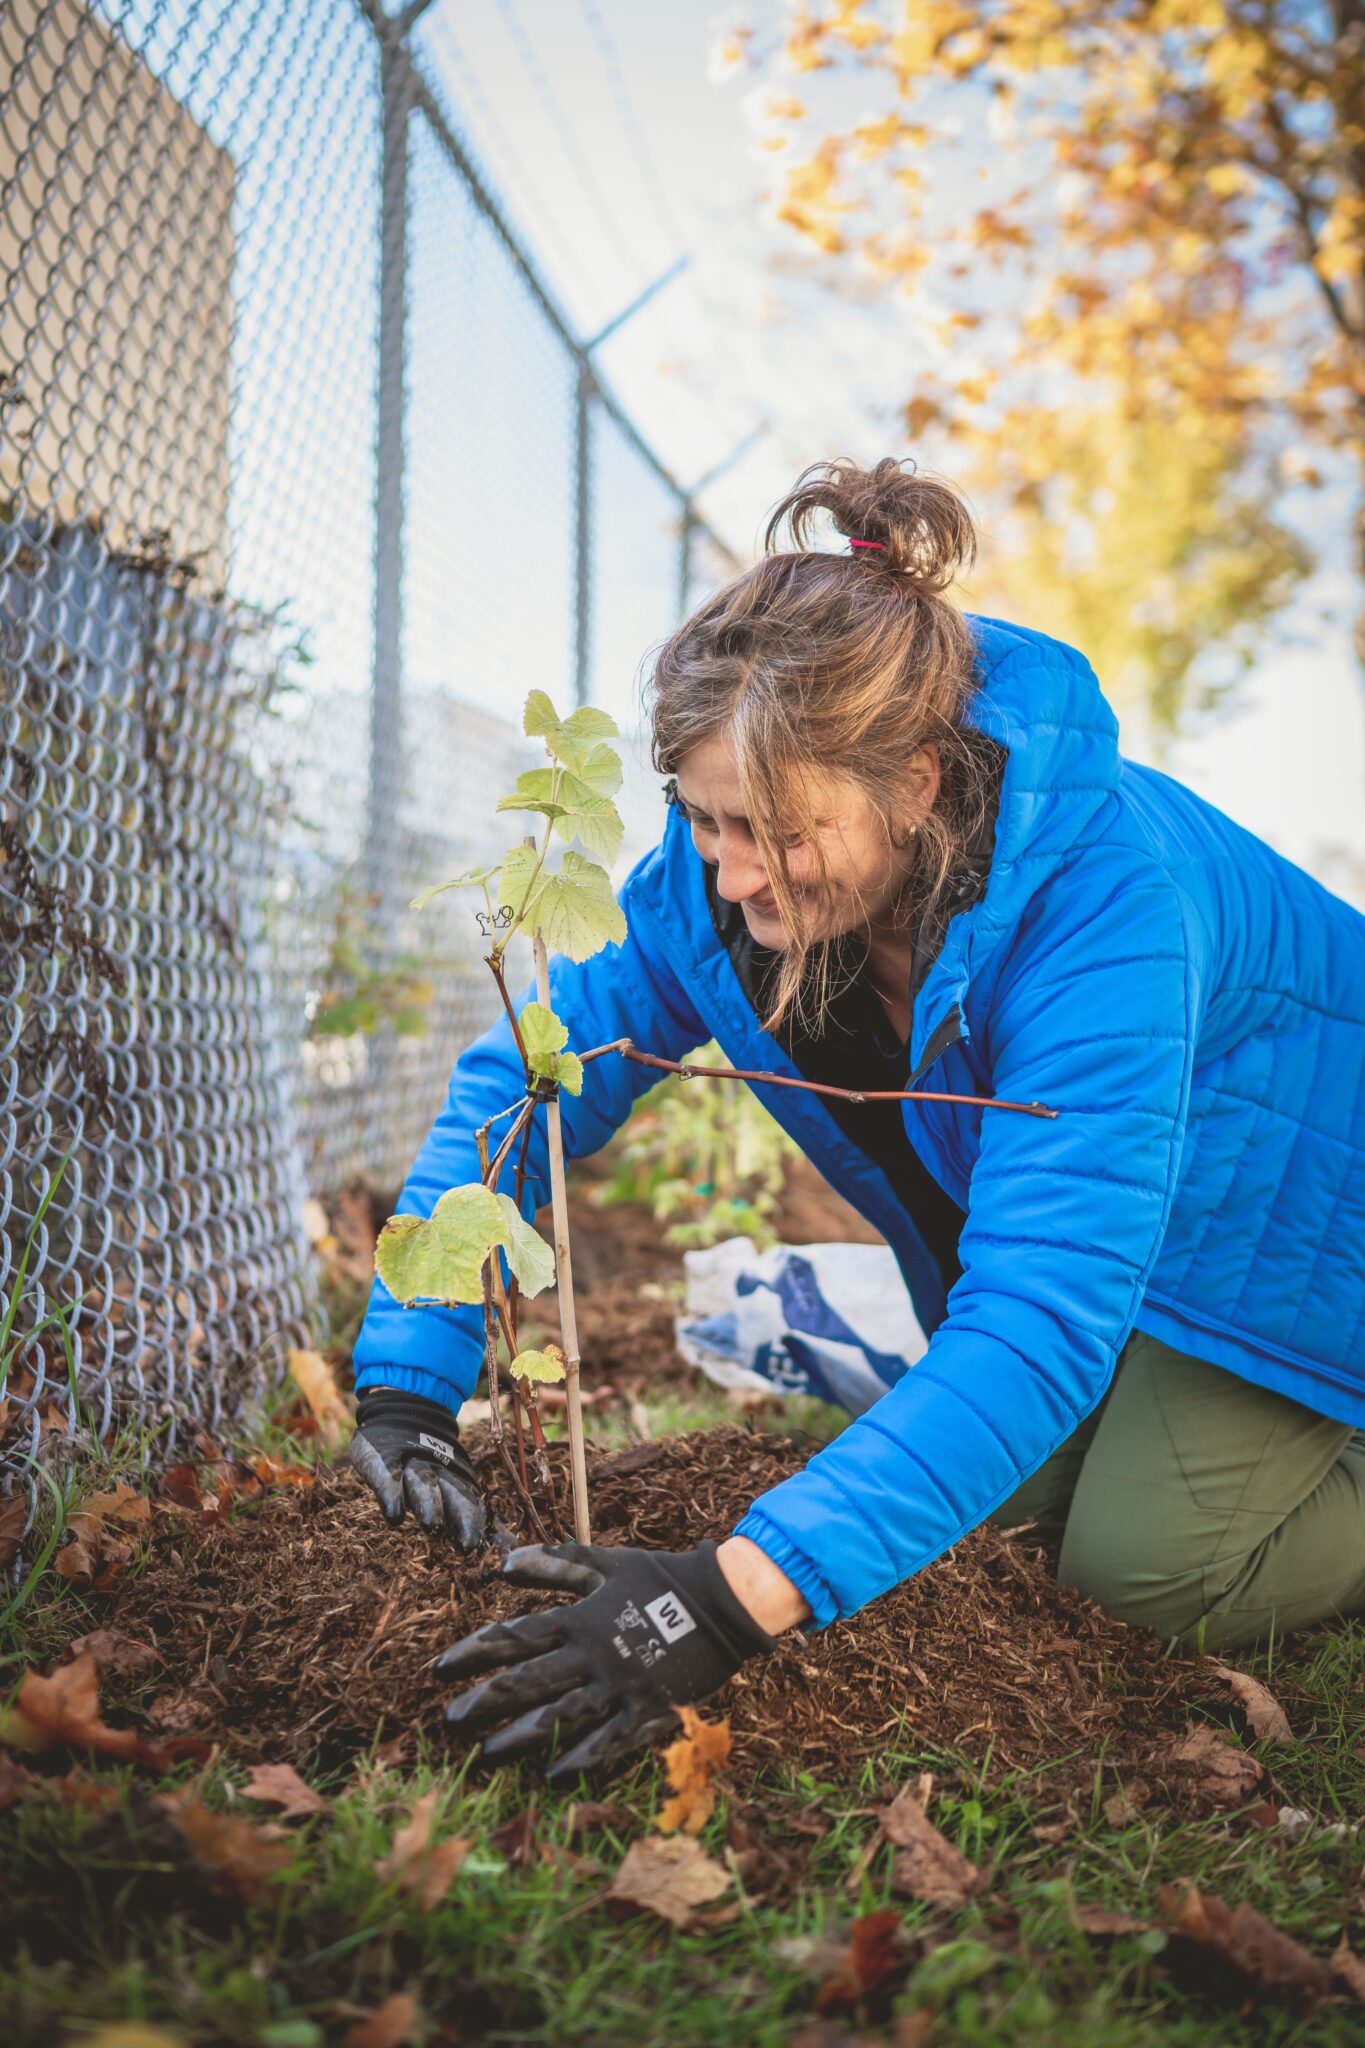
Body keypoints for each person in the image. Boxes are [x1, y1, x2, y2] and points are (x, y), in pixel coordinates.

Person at [349, 456, 1365, 1786]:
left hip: (1291, 1227)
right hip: (1133, 1207)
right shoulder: (715, 881)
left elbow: (1039, 1323)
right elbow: (526, 1079)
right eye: (702, 818)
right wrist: (407, 1386)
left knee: (1140, 1578)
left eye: (771, 830)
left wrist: (703, 1609)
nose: (733, 872)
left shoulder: (1103, 909)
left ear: (920, 783)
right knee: (975, 1536)